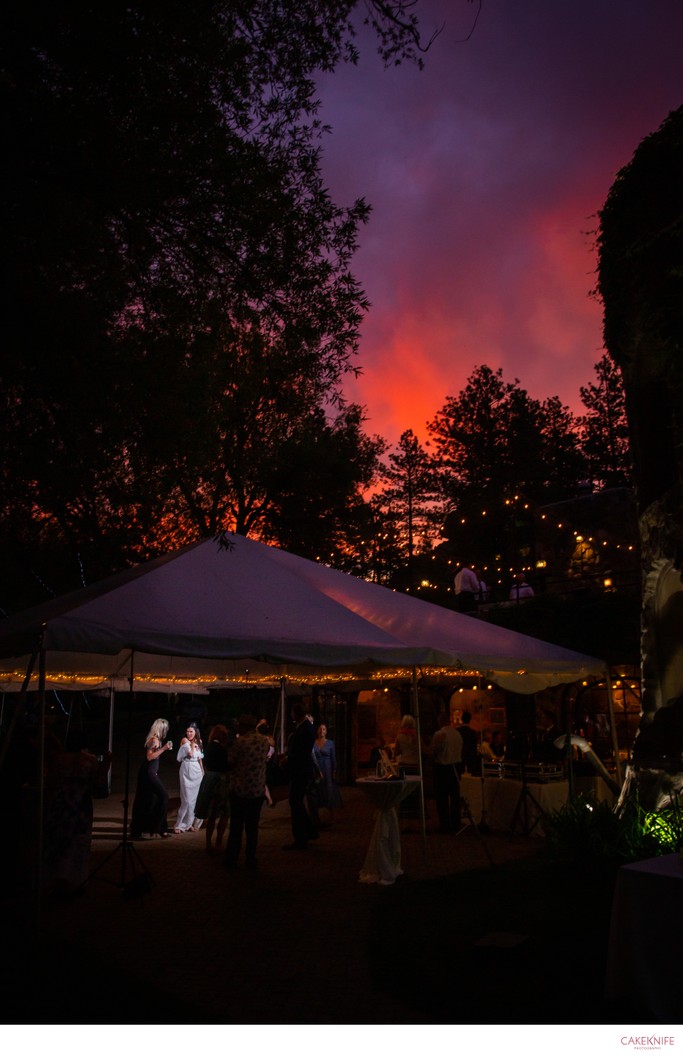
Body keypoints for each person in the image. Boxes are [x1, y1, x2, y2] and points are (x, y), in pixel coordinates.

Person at [42, 732, 112, 898]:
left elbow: (49, 782)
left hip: (60, 807)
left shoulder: (58, 760)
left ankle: (55, 880)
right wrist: (106, 763)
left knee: (58, 843)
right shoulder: (88, 761)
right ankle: (75, 881)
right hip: (79, 808)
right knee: (78, 846)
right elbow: (99, 784)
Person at [224, 714, 271, 869]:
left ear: (244, 726)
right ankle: (250, 858)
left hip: (240, 790)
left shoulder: (240, 742)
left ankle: (232, 858)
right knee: (252, 828)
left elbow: (230, 761)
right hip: (257, 790)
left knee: (236, 827)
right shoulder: (264, 741)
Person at [283, 701, 319, 850]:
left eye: (292, 713)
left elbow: (302, 752)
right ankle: (308, 831)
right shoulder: (305, 728)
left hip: (300, 770)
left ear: (296, 713)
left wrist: (288, 759)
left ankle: (302, 836)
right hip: (300, 769)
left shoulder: (305, 729)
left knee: (295, 801)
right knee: (296, 801)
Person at [131, 718, 174, 839]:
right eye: (165, 729)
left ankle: (157, 828)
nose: (166, 731)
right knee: (163, 796)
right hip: (148, 773)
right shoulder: (154, 740)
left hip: (151, 772)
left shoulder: (157, 740)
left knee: (152, 799)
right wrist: (163, 748)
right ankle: (157, 828)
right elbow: (149, 757)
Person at [193, 724, 231, 852]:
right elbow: (226, 765)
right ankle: (218, 841)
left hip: (209, 780)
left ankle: (208, 843)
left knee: (211, 814)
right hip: (221, 780)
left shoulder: (209, 747)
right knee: (224, 812)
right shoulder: (222, 749)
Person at [428, 712, 463, 833]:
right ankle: (455, 822)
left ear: (440, 721)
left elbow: (432, 751)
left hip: (442, 768)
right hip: (456, 766)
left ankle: (445, 824)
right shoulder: (457, 734)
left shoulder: (439, 734)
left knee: (441, 797)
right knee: (455, 796)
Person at [174, 722, 204, 832]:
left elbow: (200, 758)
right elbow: (190, 754)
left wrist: (202, 770)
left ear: (195, 732)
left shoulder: (199, 742)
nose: (189, 733)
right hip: (186, 770)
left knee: (194, 800)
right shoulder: (184, 741)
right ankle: (179, 825)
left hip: (196, 771)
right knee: (186, 799)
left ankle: (189, 823)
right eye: (187, 731)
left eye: (191, 731)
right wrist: (192, 745)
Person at [313, 723, 342, 822]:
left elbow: (333, 758)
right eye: (320, 729)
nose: (322, 731)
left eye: (324, 729)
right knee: (317, 790)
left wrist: (334, 771)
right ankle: (317, 815)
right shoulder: (313, 743)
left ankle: (330, 815)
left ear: (326, 732)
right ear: (317, 731)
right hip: (317, 768)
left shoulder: (330, 743)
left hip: (327, 768)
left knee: (328, 790)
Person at [458, 711, 480, 775]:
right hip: (470, 757)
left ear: (462, 719)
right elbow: (474, 746)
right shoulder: (473, 732)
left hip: (460, 756)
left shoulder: (457, 731)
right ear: (470, 720)